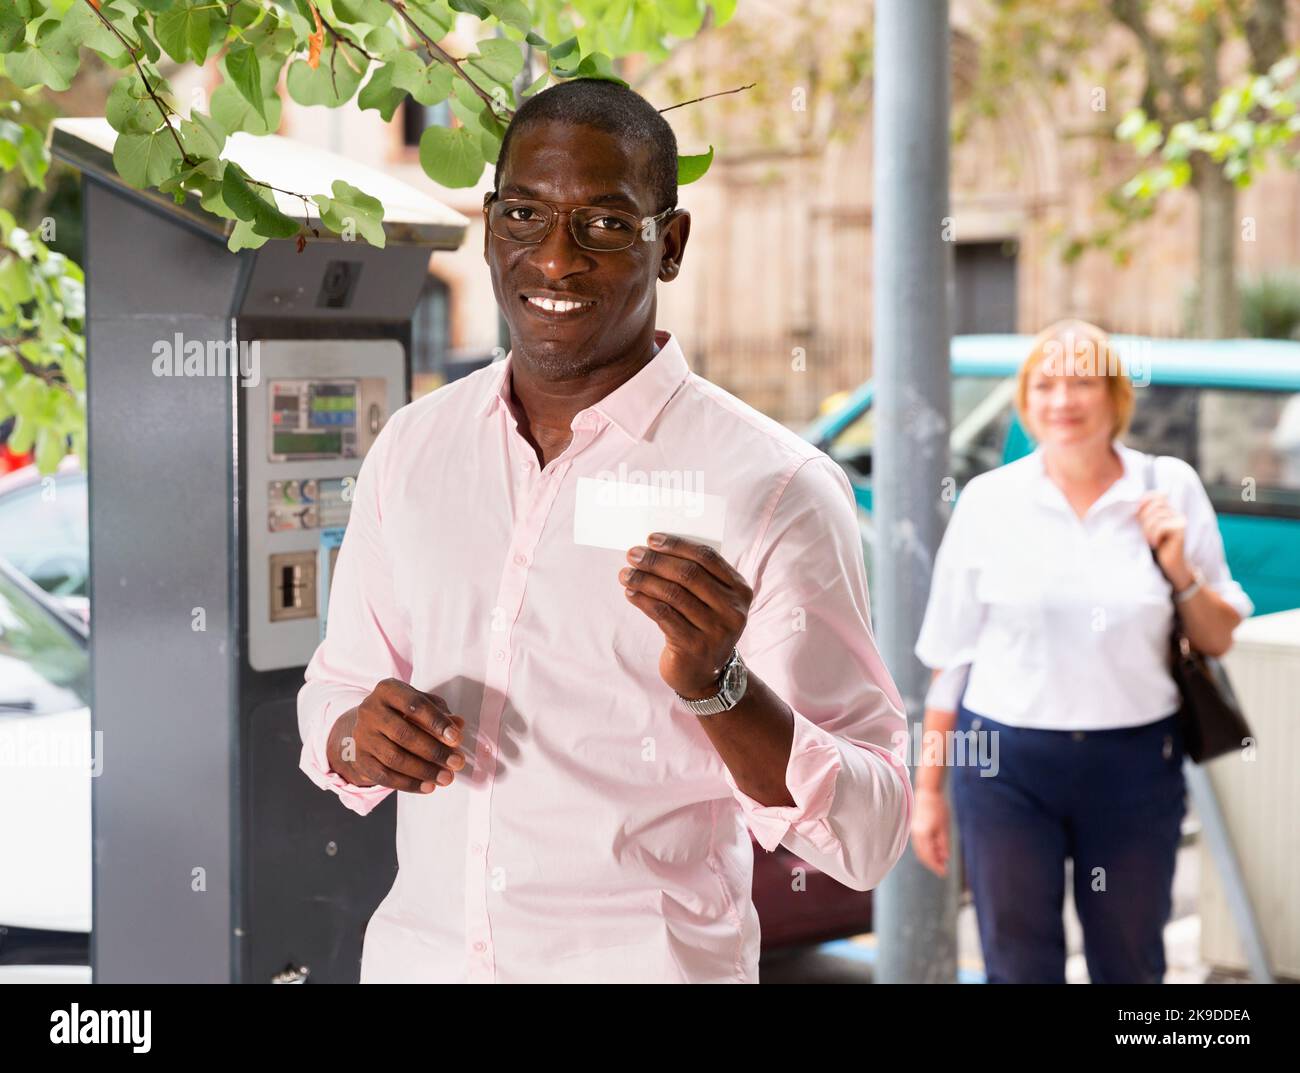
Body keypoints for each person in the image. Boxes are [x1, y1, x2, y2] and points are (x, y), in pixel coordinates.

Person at [296, 78, 912, 983]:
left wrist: (720, 687)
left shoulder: (774, 487)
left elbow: (872, 831)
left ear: (670, 244)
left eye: (604, 224)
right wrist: (358, 735)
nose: (554, 260)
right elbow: (332, 695)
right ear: (490, 220)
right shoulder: (415, 449)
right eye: (524, 215)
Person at [910, 319, 1253, 984]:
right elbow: (949, 659)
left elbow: (1216, 636)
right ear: (1026, 400)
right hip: (1006, 761)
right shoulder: (989, 500)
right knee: (1017, 962)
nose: (1062, 398)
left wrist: (1181, 569)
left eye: (1081, 381)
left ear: (1115, 395)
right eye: (1045, 383)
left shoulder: (1168, 486)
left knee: (1129, 963)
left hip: (1133, 762)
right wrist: (929, 790)